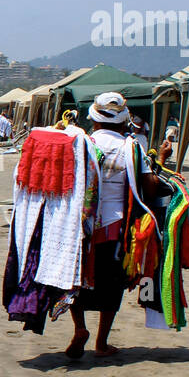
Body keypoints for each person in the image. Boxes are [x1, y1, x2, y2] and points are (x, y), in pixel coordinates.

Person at [68, 92, 157, 359]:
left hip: (80, 225)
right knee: (112, 283)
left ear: (94, 120)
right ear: (123, 122)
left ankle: (79, 328)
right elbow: (149, 185)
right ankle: (101, 342)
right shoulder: (132, 147)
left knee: (77, 280)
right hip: (116, 226)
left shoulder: (82, 143)